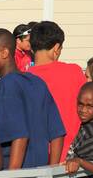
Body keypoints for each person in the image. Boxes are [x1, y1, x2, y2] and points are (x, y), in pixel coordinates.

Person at [0, 29, 65, 178]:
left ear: (4, 53)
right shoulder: (37, 82)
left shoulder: (7, 84)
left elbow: (20, 136)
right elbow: (57, 133)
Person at [28, 20, 87, 160]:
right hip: (74, 157)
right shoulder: (75, 71)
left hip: (37, 159)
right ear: (56, 48)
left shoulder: (25, 79)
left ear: (31, 48)